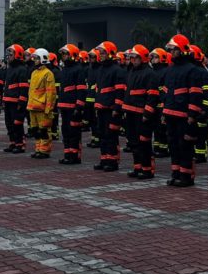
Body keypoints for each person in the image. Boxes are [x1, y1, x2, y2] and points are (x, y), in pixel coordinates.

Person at [162, 34, 201, 187]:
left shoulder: (192, 70)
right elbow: (166, 92)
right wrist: (165, 112)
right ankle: (176, 173)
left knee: (185, 146)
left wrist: (192, 115)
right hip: (171, 114)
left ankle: (186, 176)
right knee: (173, 145)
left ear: (182, 50)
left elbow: (195, 94)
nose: (171, 52)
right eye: (170, 50)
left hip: (184, 116)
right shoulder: (170, 70)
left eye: (173, 49)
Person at [121, 44, 159, 178]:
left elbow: (152, 95)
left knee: (144, 142)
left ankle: (147, 169)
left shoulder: (150, 73)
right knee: (133, 142)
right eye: (131, 58)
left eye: (135, 58)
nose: (132, 60)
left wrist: (147, 113)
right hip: (131, 112)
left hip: (142, 115)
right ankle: (138, 168)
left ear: (142, 58)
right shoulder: (131, 72)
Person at [92, 41, 125, 172]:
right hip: (101, 108)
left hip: (111, 110)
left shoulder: (117, 70)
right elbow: (98, 90)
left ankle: (112, 161)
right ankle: (104, 159)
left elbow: (120, 91)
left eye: (103, 52)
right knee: (102, 135)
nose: (101, 55)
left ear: (111, 53)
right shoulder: (101, 69)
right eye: (100, 53)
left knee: (111, 136)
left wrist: (117, 108)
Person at [56, 44, 86, 164]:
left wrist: (79, 106)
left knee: (74, 133)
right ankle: (67, 154)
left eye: (65, 54)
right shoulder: (65, 69)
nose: (63, 56)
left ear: (72, 55)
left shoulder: (78, 69)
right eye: (62, 54)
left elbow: (81, 89)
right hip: (64, 107)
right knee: (66, 132)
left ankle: (75, 156)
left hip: (74, 107)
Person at [27, 48, 58, 159]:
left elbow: (51, 93)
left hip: (42, 107)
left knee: (44, 130)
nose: (34, 60)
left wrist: (48, 108)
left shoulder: (48, 73)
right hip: (33, 107)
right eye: (34, 58)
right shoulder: (34, 72)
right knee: (35, 130)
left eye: (36, 58)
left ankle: (44, 151)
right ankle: (38, 149)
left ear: (43, 59)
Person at [2, 44, 29, 153]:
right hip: (8, 100)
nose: (8, 56)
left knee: (17, 123)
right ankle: (13, 142)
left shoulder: (22, 69)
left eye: (11, 54)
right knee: (9, 123)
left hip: (16, 102)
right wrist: (4, 100)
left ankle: (20, 144)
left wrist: (21, 102)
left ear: (17, 55)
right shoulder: (10, 68)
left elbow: (23, 87)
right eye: (8, 54)